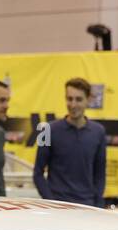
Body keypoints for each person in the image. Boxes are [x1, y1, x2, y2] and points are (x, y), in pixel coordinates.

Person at [32, 77, 107, 206]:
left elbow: (100, 173)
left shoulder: (99, 132)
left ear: (88, 100)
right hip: (57, 207)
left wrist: (97, 203)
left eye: (78, 99)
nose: (73, 105)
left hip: (87, 207)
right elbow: (37, 173)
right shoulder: (46, 130)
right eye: (69, 99)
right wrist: (51, 201)